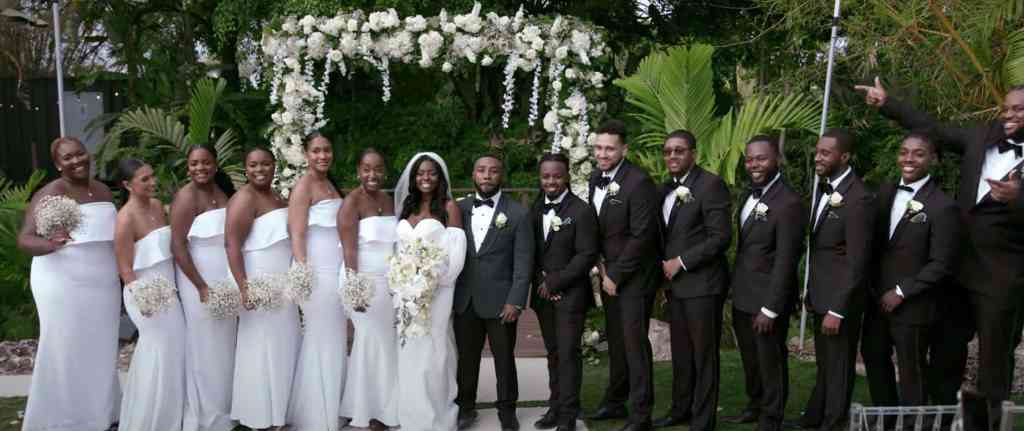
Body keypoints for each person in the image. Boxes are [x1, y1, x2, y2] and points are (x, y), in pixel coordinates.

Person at [857, 80, 1024, 425]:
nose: (1009, 115)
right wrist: (888, 103)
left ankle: (987, 425)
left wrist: (1017, 199)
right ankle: (942, 420)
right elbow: (932, 128)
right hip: (957, 269)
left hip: (1001, 275)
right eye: (1006, 108)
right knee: (947, 351)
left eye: (1018, 109)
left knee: (994, 359)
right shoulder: (982, 136)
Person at [18, 136, 121, 431]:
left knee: (101, 346)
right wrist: (51, 244)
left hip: (103, 283)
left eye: (80, 153)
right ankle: (61, 420)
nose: (77, 161)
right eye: (68, 157)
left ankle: (102, 415)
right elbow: (25, 239)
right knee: (64, 347)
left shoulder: (103, 190)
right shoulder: (50, 193)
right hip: (62, 281)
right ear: (58, 165)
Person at [860, 132, 960, 411]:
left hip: (913, 304)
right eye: (904, 152)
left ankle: (915, 421)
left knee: (911, 370)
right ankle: (886, 416)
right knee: (873, 355)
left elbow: (941, 263)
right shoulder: (884, 192)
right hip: (877, 298)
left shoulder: (943, 206)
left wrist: (902, 291)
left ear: (933, 160)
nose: (909, 158)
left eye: (918, 153)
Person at [795, 128, 876, 431]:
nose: (817, 157)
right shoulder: (824, 189)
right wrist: (811, 290)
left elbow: (857, 261)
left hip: (841, 301)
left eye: (825, 153)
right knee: (825, 364)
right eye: (817, 151)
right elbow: (822, 249)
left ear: (844, 157)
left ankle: (834, 422)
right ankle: (815, 417)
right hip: (821, 293)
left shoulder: (859, 198)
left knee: (839, 366)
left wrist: (838, 309)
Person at [654, 130, 732, 431]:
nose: (672, 156)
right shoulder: (664, 189)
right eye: (668, 151)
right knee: (682, 354)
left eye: (679, 150)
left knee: (703, 356)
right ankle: (680, 410)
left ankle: (703, 420)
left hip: (703, 285)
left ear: (693, 154)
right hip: (676, 288)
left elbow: (720, 237)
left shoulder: (711, 185)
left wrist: (681, 262)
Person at [586, 120, 661, 431]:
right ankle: (616, 401)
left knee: (634, 344)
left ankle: (641, 414)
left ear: (624, 150)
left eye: (610, 149)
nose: (602, 154)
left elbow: (642, 235)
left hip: (634, 276)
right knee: (616, 340)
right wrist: (601, 267)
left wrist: (616, 275)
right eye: (599, 148)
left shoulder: (639, 182)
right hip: (608, 272)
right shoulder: (595, 178)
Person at [730, 136, 807, 431]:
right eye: (750, 159)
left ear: (777, 159)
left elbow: (786, 261)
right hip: (743, 295)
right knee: (751, 359)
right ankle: (755, 406)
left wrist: (771, 308)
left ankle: (771, 417)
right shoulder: (748, 196)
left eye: (761, 158)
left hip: (767, 300)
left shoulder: (789, 203)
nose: (754, 164)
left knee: (770, 361)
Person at [454, 155, 535, 431]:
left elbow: (523, 262)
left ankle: (507, 410)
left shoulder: (518, 213)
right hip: (465, 300)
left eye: (493, 171)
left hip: (502, 301)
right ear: (473, 174)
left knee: (504, 358)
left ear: (502, 175)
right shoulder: (458, 209)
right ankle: (465, 407)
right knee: (466, 359)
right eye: (481, 170)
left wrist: (516, 300)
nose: (487, 175)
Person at [225, 148, 299, 431]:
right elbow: (231, 245)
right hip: (259, 282)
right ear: (246, 169)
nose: (260, 170)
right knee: (260, 347)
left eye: (266, 164)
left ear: (274, 166)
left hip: (282, 282)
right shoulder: (244, 199)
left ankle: (281, 410)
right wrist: (244, 287)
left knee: (283, 344)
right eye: (253, 165)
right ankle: (260, 416)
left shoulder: (277, 196)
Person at [393, 152, 467, 431]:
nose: (426, 178)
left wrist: (430, 283)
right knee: (409, 347)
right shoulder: (406, 206)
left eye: (431, 173)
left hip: (437, 290)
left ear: (440, 177)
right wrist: (402, 282)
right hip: (405, 293)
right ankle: (411, 413)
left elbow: (456, 256)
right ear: (413, 178)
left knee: (433, 347)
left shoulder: (448, 207)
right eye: (421, 173)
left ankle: (436, 414)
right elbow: (399, 250)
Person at [113, 158, 187, 430]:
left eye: (152, 176)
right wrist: (142, 298)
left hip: (169, 290)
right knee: (157, 351)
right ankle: (148, 420)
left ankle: (172, 417)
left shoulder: (157, 206)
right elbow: (124, 268)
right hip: (145, 293)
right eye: (144, 179)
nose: (152, 182)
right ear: (127, 185)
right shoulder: (125, 219)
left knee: (176, 350)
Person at [529, 153, 599, 431]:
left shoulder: (581, 210)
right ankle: (555, 407)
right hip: (544, 295)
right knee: (554, 353)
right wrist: (542, 282)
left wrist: (556, 283)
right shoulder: (535, 208)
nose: (551, 181)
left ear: (567, 176)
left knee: (569, 354)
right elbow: (531, 251)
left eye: (557, 176)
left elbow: (586, 254)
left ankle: (568, 415)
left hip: (571, 295)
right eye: (546, 176)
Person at [170, 144, 237, 431]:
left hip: (224, 276)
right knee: (205, 345)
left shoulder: (223, 190)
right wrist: (201, 286)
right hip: (199, 277)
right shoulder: (186, 197)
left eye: (206, 162)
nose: (201, 168)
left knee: (226, 343)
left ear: (216, 164)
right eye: (195, 163)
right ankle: (210, 415)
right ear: (188, 168)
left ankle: (229, 407)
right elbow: (177, 245)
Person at [287, 133, 347, 431]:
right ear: (306, 154)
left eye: (327, 150)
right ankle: (317, 415)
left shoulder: (331, 184)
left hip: (337, 270)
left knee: (335, 338)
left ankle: (334, 404)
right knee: (321, 337)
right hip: (317, 274)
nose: (323, 156)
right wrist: (304, 273)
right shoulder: (303, 187)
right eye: (316, 151)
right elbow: (297, 234)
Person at [339, 148, 400, 430]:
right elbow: (349, 251)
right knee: (369, 341)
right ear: (358, 172)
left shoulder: (388, 200)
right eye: (366, 169)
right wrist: (355, 289)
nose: (372, 174)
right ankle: (370, 409)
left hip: (390, 283)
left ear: (384, 171)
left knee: (386, 343)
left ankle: (385, 405)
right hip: (364, 282)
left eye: (377, 169)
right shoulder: (351, 203)